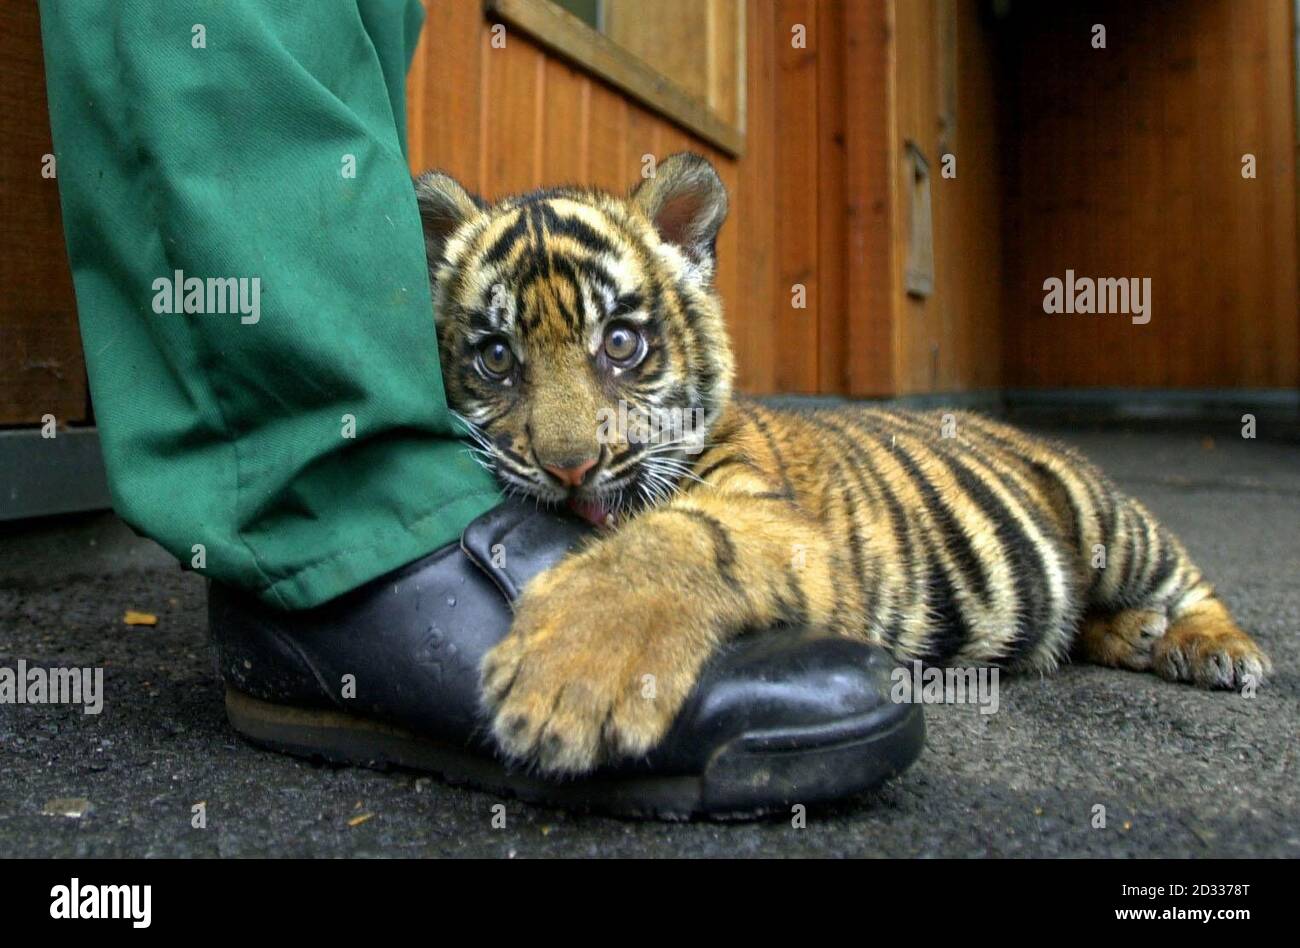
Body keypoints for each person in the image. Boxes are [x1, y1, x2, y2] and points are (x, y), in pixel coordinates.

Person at [39, 0, 922, 817]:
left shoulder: (718, 446)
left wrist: (660, 573)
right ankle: (334, 524)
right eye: (495, 360)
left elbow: (802, 554)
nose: (568, 446)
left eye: (622, 347)